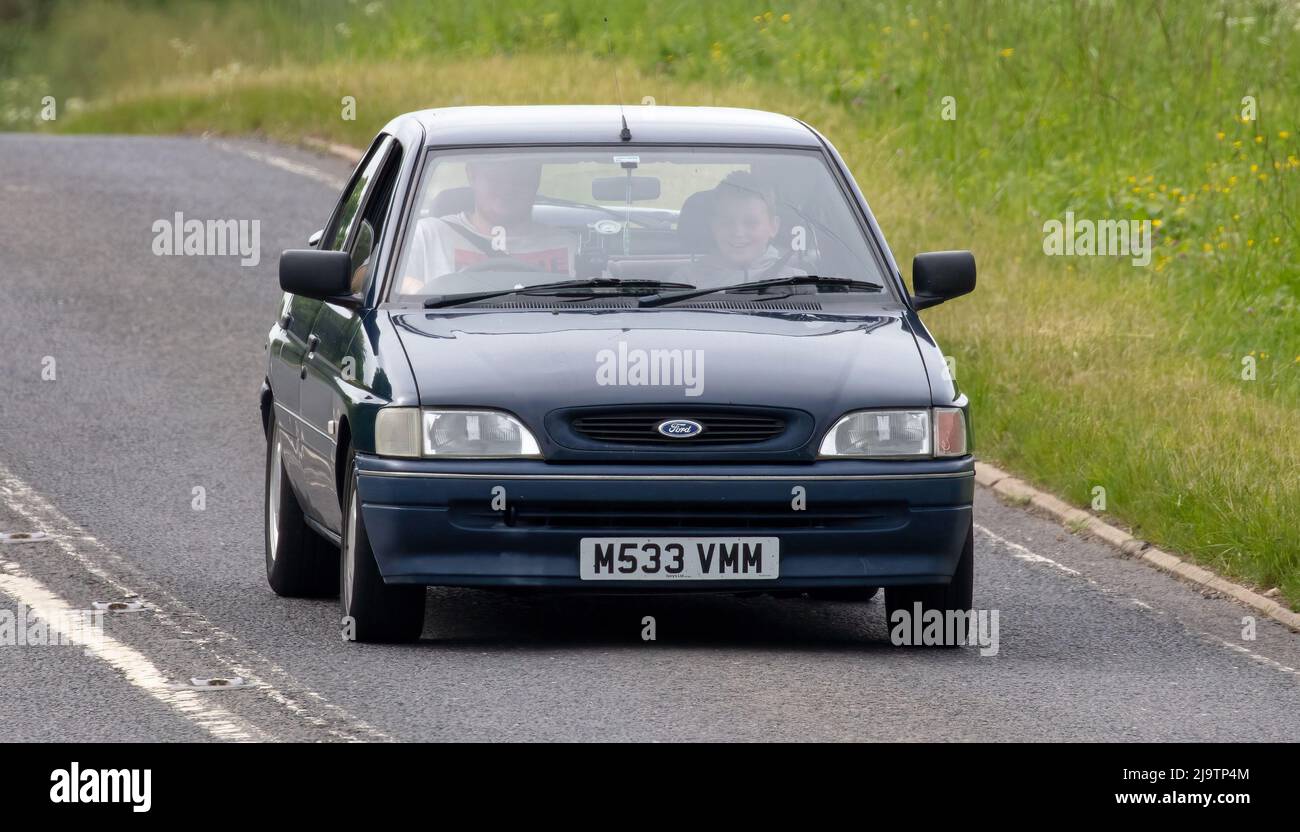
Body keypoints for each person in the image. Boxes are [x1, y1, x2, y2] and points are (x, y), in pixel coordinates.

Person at [398, 158, 578, 294]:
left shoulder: (569, 246)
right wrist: (419, 290)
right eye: (495, 177)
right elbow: (382, 283)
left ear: (535, 179)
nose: (507, 189)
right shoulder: (427, 236)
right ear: (471, 176)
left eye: (519, 178)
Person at [672, 171, 802, 288]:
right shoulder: (685, 282)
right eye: (727, 222)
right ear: (713, 226)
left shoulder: (798, 283)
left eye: (751, 223)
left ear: (773, 227)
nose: (738, 233)